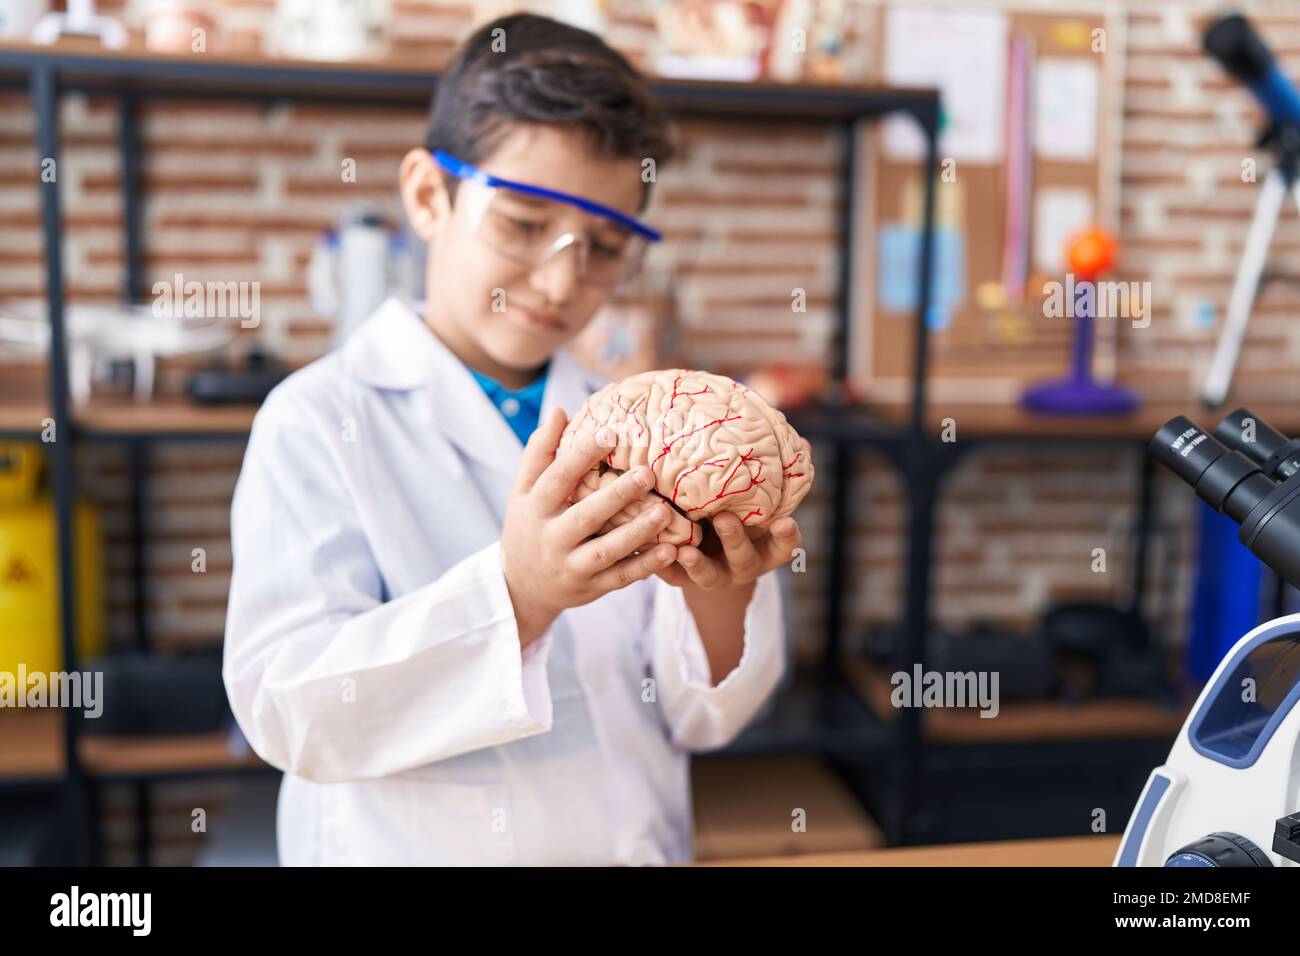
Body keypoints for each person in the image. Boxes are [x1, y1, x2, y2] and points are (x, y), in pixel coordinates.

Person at [223, 12, 803, 866]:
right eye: (525, 223)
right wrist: (517, 596)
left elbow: (703, 717)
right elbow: (287, 711)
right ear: (429, 196)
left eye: (606, 246)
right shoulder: (317, 421)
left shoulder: (638, 422)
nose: (562, 279)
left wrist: (718, 593)